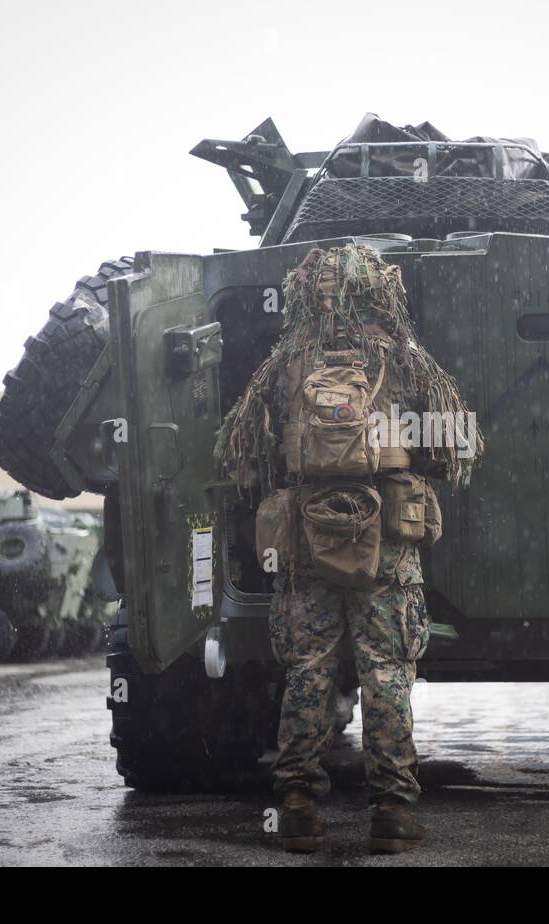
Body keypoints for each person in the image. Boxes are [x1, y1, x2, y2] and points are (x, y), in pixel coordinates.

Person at [220, 243, 480, 853]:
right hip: (385, 542)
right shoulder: (405, 357)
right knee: (386, 671)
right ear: (377, 291)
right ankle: (391, 811)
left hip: (307, 541)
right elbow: (456, 445)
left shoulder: (286, 359)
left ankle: (297, 806)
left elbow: (243, 452)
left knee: (308, 671)